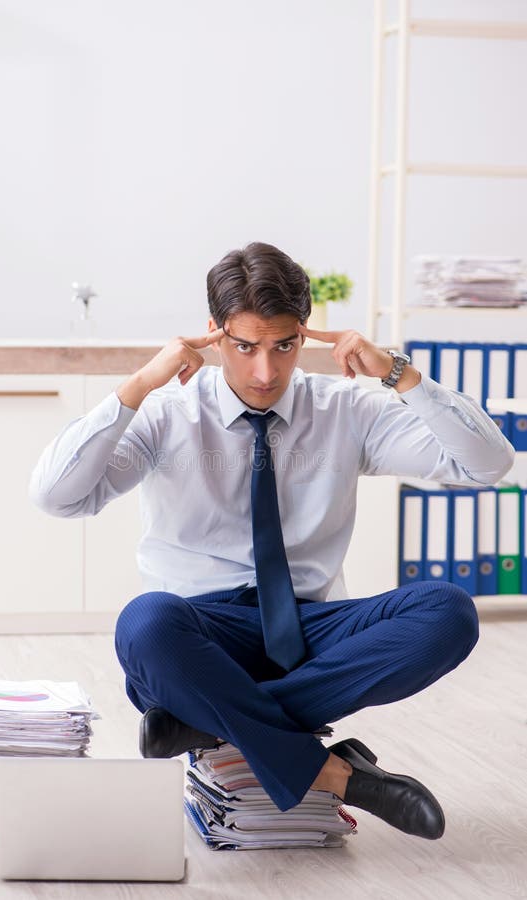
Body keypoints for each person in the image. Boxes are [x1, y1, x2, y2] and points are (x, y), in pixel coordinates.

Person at [29, 241, 514, 840]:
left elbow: (487, 465)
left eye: (284, 346)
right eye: (245, 346)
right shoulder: (169, 413)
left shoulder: (346, 409)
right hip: (201, 635)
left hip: (311, 630)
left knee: (449, 612)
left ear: (304, 336)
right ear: (213, 333)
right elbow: (58, 495)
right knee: (146, 623)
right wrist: (141, 383)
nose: (266, 371)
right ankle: (343, 777)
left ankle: (205, 723)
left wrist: (399, 373)